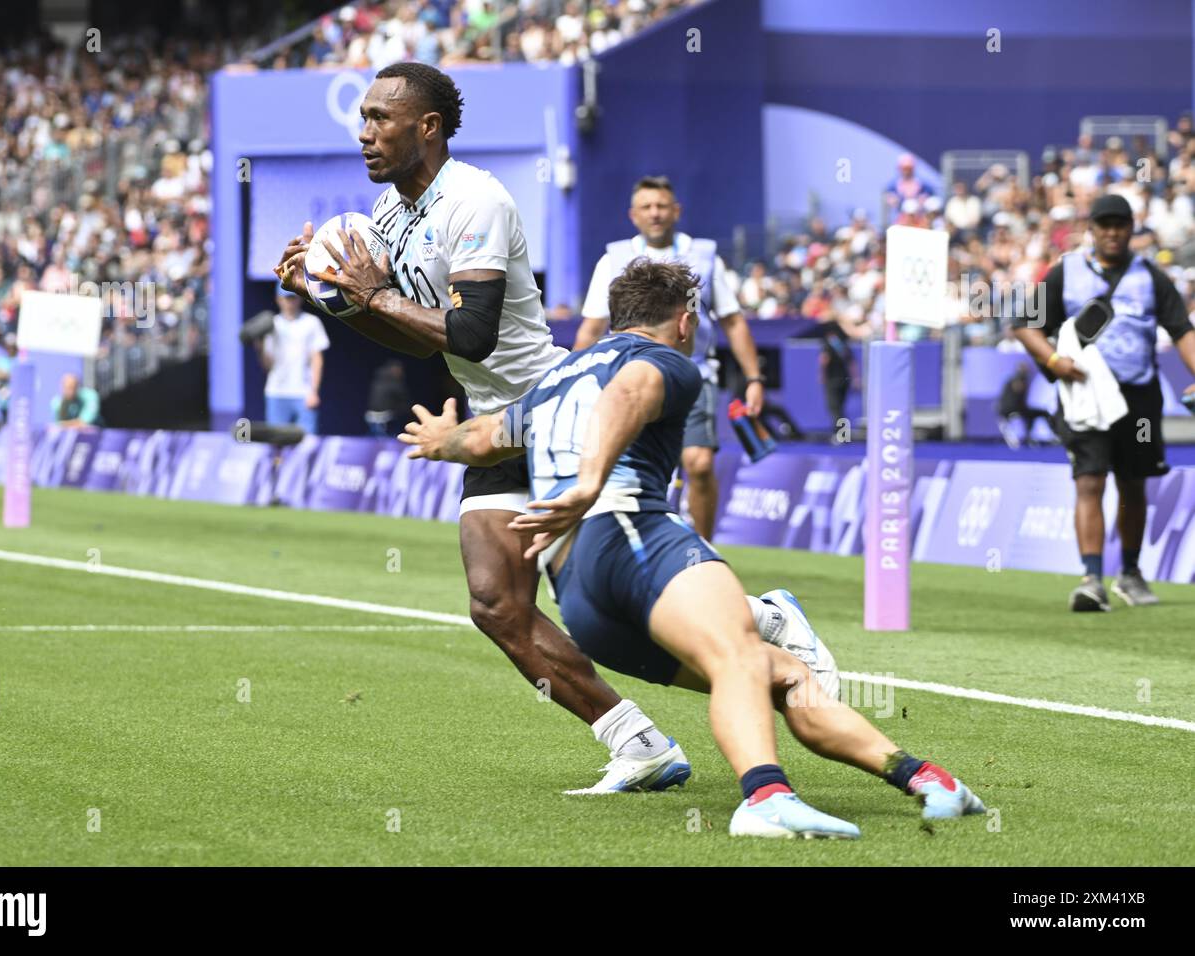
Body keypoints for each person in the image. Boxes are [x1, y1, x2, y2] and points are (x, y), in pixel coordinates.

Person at [399, 259, 985, 838]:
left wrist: (442, 440)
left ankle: (928, 780)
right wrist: (589, 480)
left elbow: (486, 436)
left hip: (581, 601)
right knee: (741, 657)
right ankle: (766, 795)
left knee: (776, 675)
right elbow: (628, 393)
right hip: (632, 539)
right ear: (684, 322)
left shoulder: (555, 379)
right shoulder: (667, 363)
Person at [275, 62, 685, 793]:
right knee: (495, 602)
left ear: (427, 128)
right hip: (499, 423)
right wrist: (332, 299)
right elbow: (419, 337)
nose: (365, 133)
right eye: (363, 118)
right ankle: (638, 741)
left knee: (610, 603)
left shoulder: (476, 200)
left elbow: (468, 332)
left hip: (554, 409)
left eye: (380, 119)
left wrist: (372, 295)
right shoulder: (390, 215)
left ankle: (764, 628)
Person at [1013, 194, 1195, 610]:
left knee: (1133, 484)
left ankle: (1129, 574)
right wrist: (1054, 359)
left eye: (1120, 225)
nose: (1112, 232)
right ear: (1091, 229)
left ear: (1132, 229)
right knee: (1089, 480)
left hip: (1137, 395)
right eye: (1104, 225)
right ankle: (1091, 578)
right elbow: (1025, 324)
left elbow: (1183, 331)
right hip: (1085, 395)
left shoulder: (1151, 276)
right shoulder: (1066, 273)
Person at [572, 175, 766, 541]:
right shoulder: (612, 259)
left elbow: (733, 322)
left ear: (676, 211)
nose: (655, 214)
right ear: (633, 215)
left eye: (662, 206)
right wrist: (569, 375)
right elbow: (591, 328)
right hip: (628, 381)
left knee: (700, 463)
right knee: (631, 468)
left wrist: (754, 378)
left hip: (693, 376)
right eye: (647, 207)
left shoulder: (705, 257)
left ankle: (703, 550)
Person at [261, 290, 328, 433]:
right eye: (286, 298)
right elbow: (268, 365)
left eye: (293, 298)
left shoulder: (312, 322)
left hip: (303, 392)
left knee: (308, 444)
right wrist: (259, 346)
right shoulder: (271, 324)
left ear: (300, 299)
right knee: (276, 445)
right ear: (278, 299)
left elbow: (317, 360)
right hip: (276, 391)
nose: (290, 302)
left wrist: (314, 391)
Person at [996, 363, 1054, 448]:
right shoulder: (1018, 380)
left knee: (1035, 414)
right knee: (1038, 413)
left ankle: (1029, 436)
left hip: (1012, 409)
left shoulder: (1014, 379)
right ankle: (1054, 434)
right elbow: (1017, 392)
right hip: (1012, 410)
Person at [365, 359, 412, 437]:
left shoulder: (377, 380)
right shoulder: (394, 384)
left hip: (371, 416)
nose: (400, 372)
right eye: (398, 370)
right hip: (384, 418)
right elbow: (405, 402)